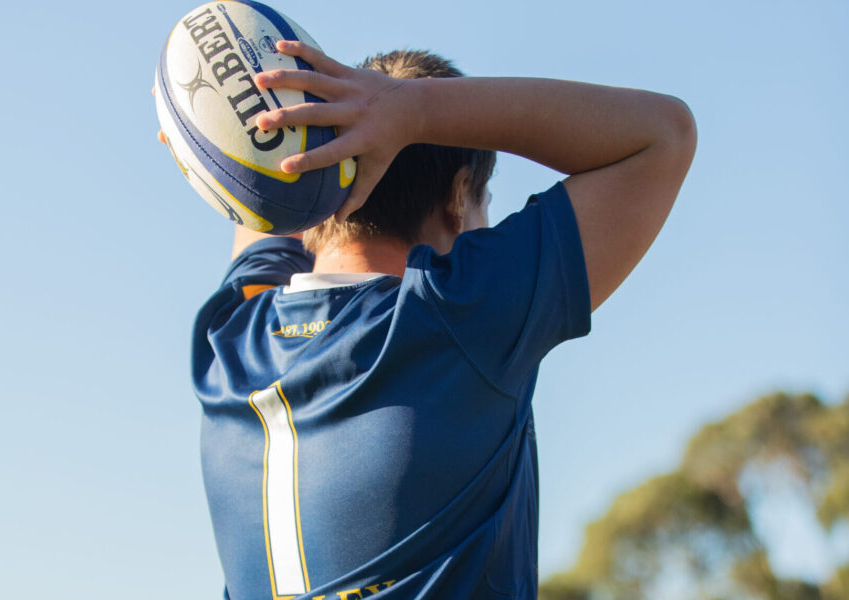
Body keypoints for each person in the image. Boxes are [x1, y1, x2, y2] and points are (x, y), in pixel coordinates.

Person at [183, 41, 696, 600]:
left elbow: (271, 195)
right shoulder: (455, 320)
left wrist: (215, 139)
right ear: (458, 197)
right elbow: (662, 133)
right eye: (486, 199)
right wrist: (416, 110)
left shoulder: (230, 340)